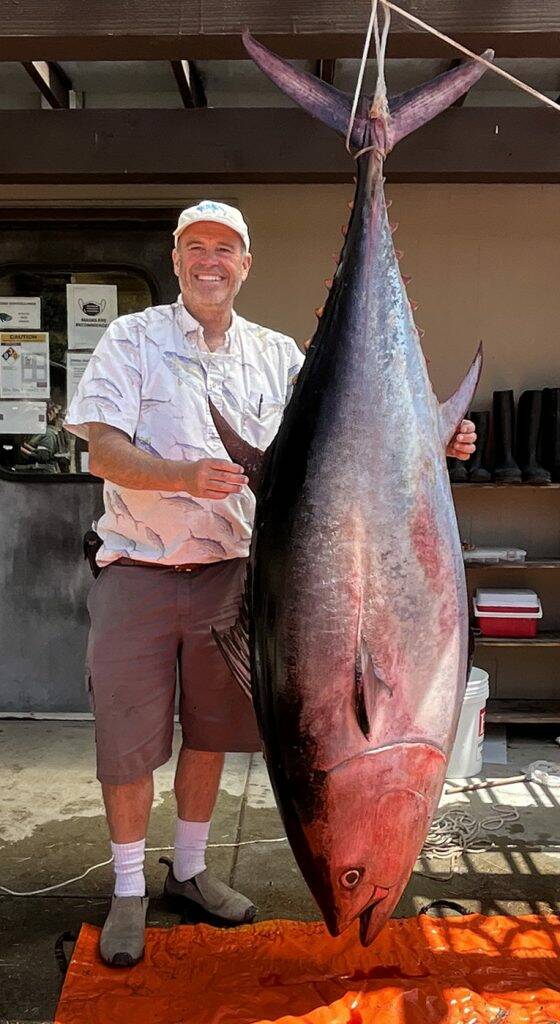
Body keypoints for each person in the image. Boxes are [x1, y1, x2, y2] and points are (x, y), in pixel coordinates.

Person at [65, 200, 476, 968]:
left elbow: (348, 440)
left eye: (225, 248)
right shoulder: (132, 340)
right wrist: (183, 476)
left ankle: (188, 871)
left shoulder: (277, 355)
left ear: (245, 263)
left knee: (213, 736)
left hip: (238, 578)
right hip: (140, 574)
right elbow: (102, 455)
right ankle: (127, 891)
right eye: (195, 247)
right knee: (127, 745)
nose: (209, 261)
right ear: (177, 257)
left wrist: (435, 437)